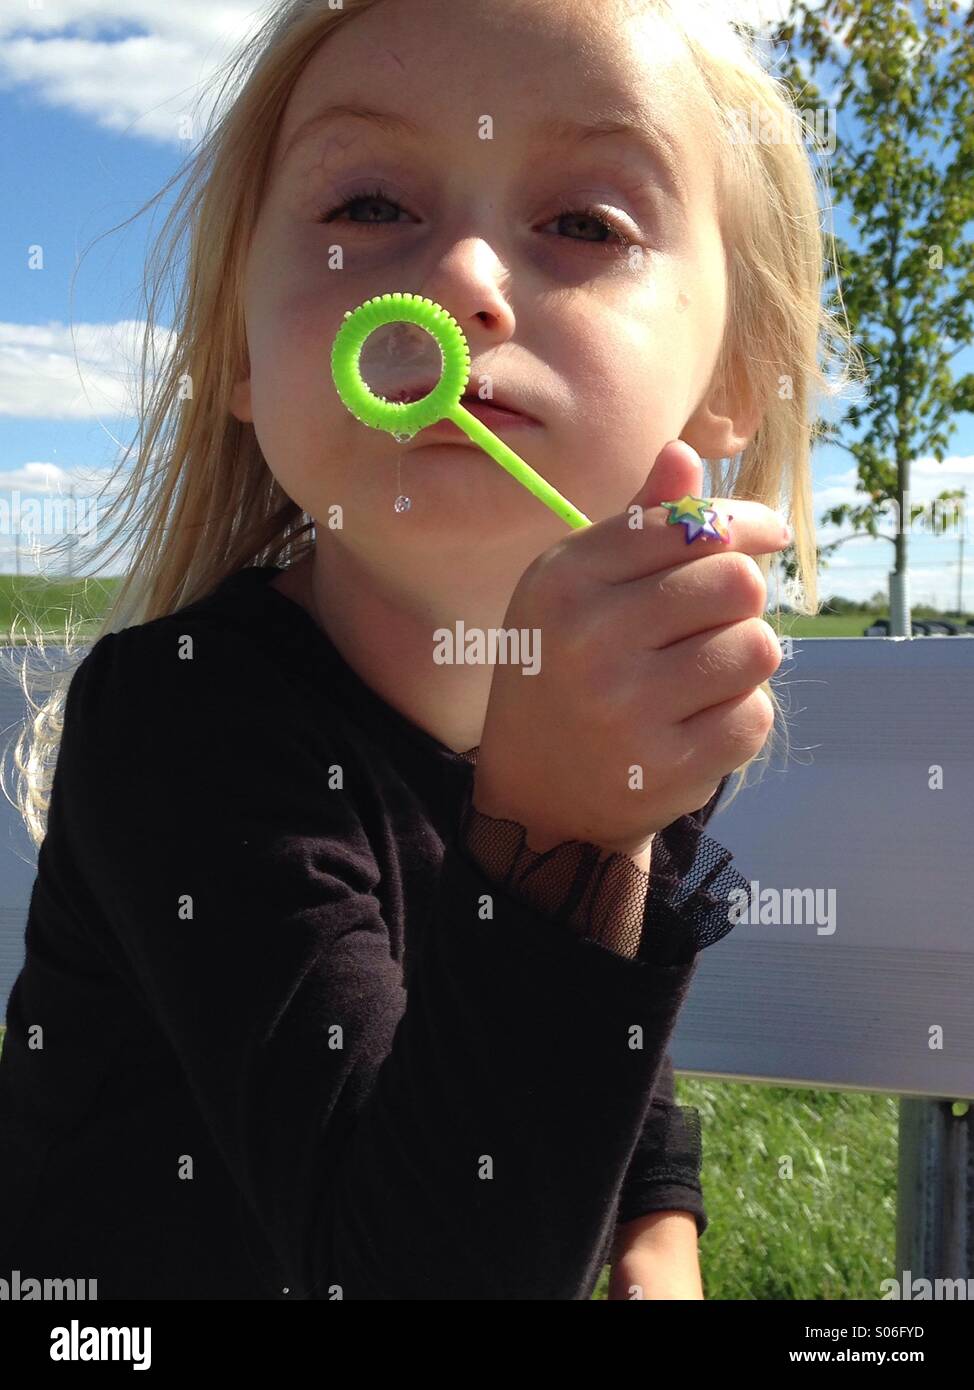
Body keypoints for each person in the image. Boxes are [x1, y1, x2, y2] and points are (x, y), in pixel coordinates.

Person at [0, 0, 853, 1300]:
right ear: (237, 345)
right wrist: (561, 839)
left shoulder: (614, 699)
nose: (454, 281)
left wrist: (659, 1232)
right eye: (367, 208)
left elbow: (607, 1037)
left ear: (727, 370)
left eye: (582, 224)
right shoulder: (184, 722)